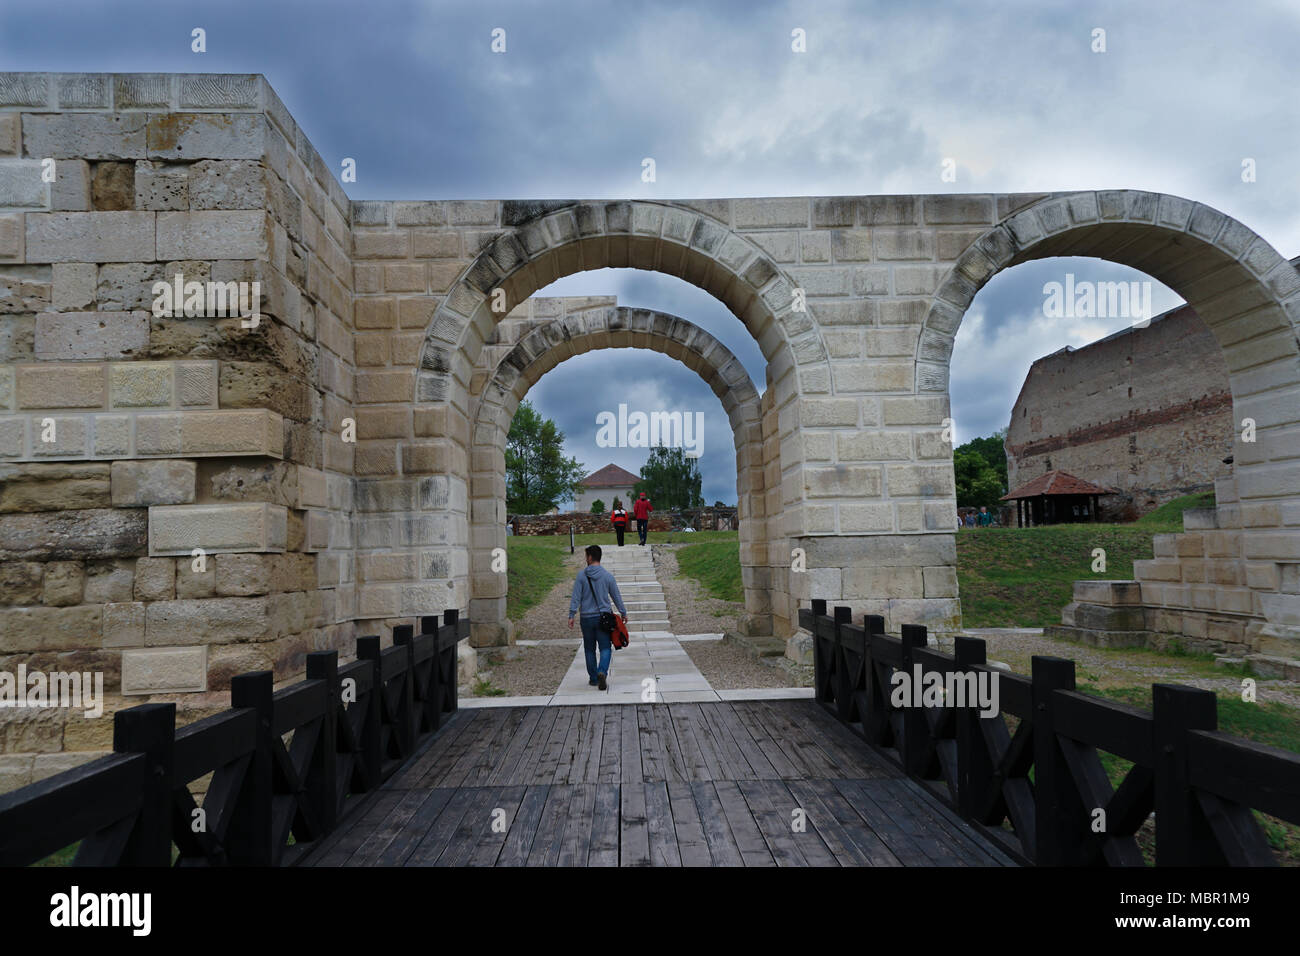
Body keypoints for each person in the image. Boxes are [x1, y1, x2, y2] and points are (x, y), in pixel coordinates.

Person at [568, 544, 627, 690]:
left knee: (589, 649)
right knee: (605, 647)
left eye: (586, 556)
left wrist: (571, 614)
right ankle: (602, 671)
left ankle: (594, 679)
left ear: (589, 557)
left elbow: (576, 597)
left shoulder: (581, 576)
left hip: (586, 618)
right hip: (603, 618)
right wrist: (623, 612)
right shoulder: (607, 576)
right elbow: (616, 596)